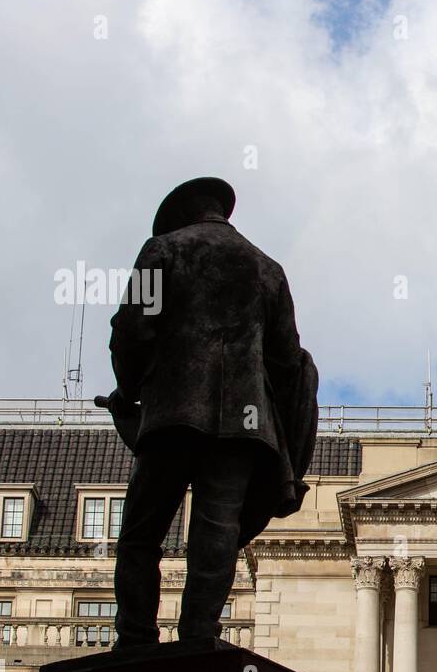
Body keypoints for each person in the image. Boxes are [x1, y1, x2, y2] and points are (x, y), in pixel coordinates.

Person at [106, 177, 318, 648]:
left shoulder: (162, 250)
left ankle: (136, 636)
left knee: (142, 532)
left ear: (181, 215)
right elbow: (289, 361)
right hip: (244, 426)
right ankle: (200, 635)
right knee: (217, 536)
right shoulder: (268, 268)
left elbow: (132, 329)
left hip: (173, 414)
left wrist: (127, 391)